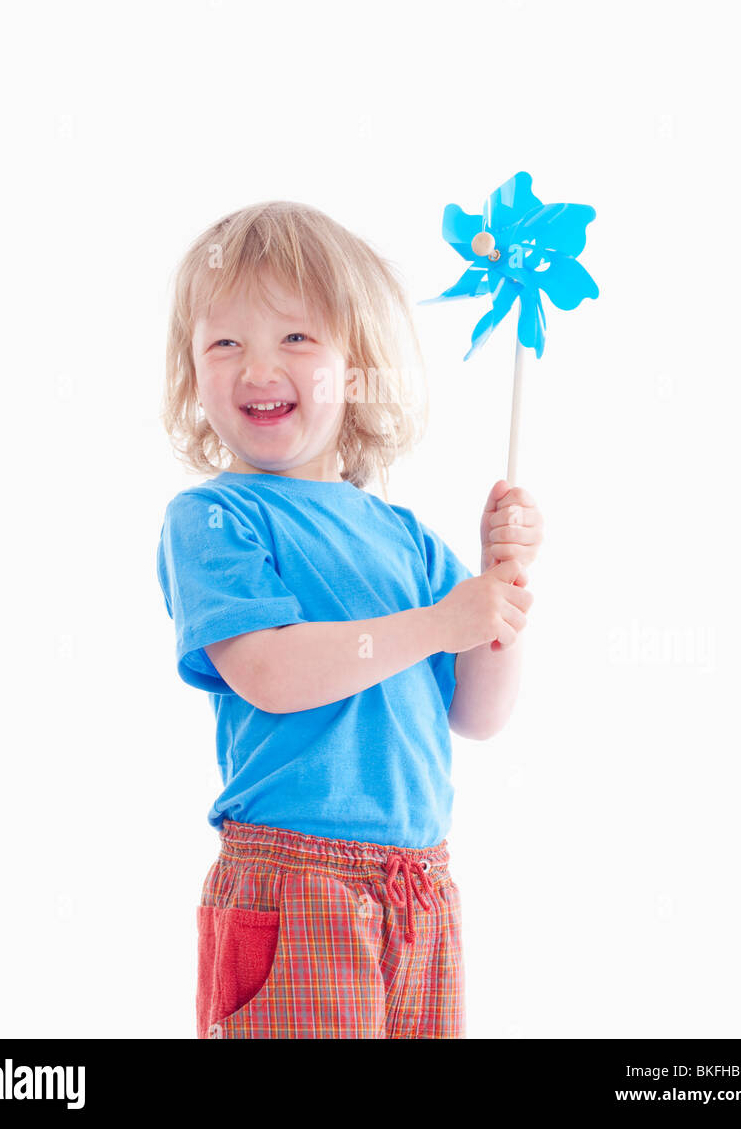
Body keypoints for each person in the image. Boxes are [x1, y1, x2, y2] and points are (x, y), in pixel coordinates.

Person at [156, 200, 542, 1038]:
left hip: (421, 888)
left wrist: (498, 591)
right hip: (297, 882)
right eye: (226, 343)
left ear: (355, 367)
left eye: (296, 338)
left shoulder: (407, 540)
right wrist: (441, 622)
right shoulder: (216, 519)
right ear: (192, 374)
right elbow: (270, 670)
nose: (258, 366)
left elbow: (478, 713)